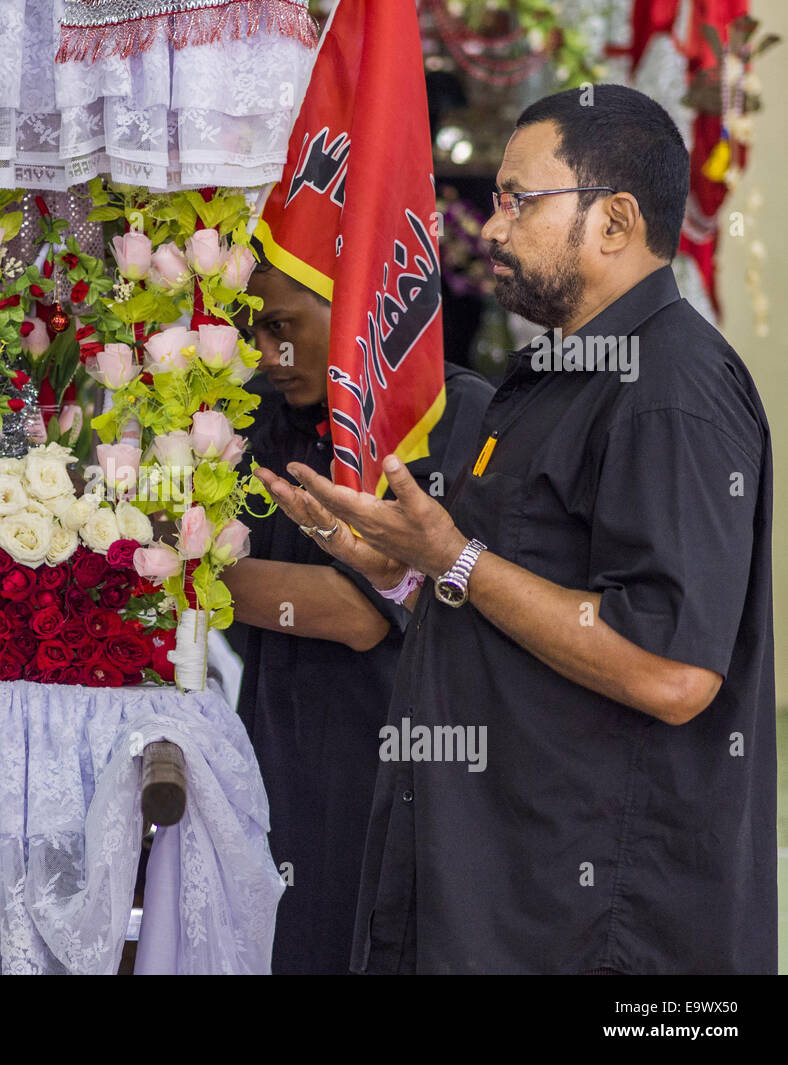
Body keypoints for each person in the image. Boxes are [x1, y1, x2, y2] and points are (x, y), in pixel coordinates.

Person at [256, 84, 776, 974]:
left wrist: (454, 555)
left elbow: (674, 670)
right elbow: (501, 600)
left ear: (614, 220)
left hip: (592, 924)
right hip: (488, 891)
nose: (491, 229)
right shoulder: (553, 377)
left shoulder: (671, 391)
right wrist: (397, 570)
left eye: (518, 201)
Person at [225, 256, 492, 973]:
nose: (265, 351)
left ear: (353, 308)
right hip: (273, 753)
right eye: (252, 328)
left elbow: (358, 611)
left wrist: (177, 572)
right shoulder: (254, 414)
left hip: (400, 769)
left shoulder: (442, 413)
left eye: (280, 326)